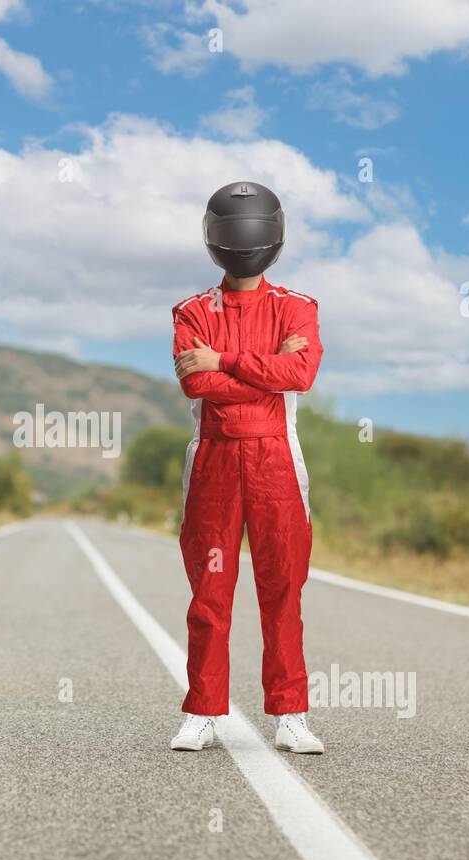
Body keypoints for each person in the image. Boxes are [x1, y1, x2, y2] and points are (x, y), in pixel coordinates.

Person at [168, 181, 324, 755]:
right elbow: (196, 381)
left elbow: (300, 374)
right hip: (212, 459)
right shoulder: (191, 311)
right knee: (210, 593)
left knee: (282, 589)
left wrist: (227, 360)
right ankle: (204, 711)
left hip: (277, 461)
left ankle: (292, 714)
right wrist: (262, 371)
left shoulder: (297, 307)